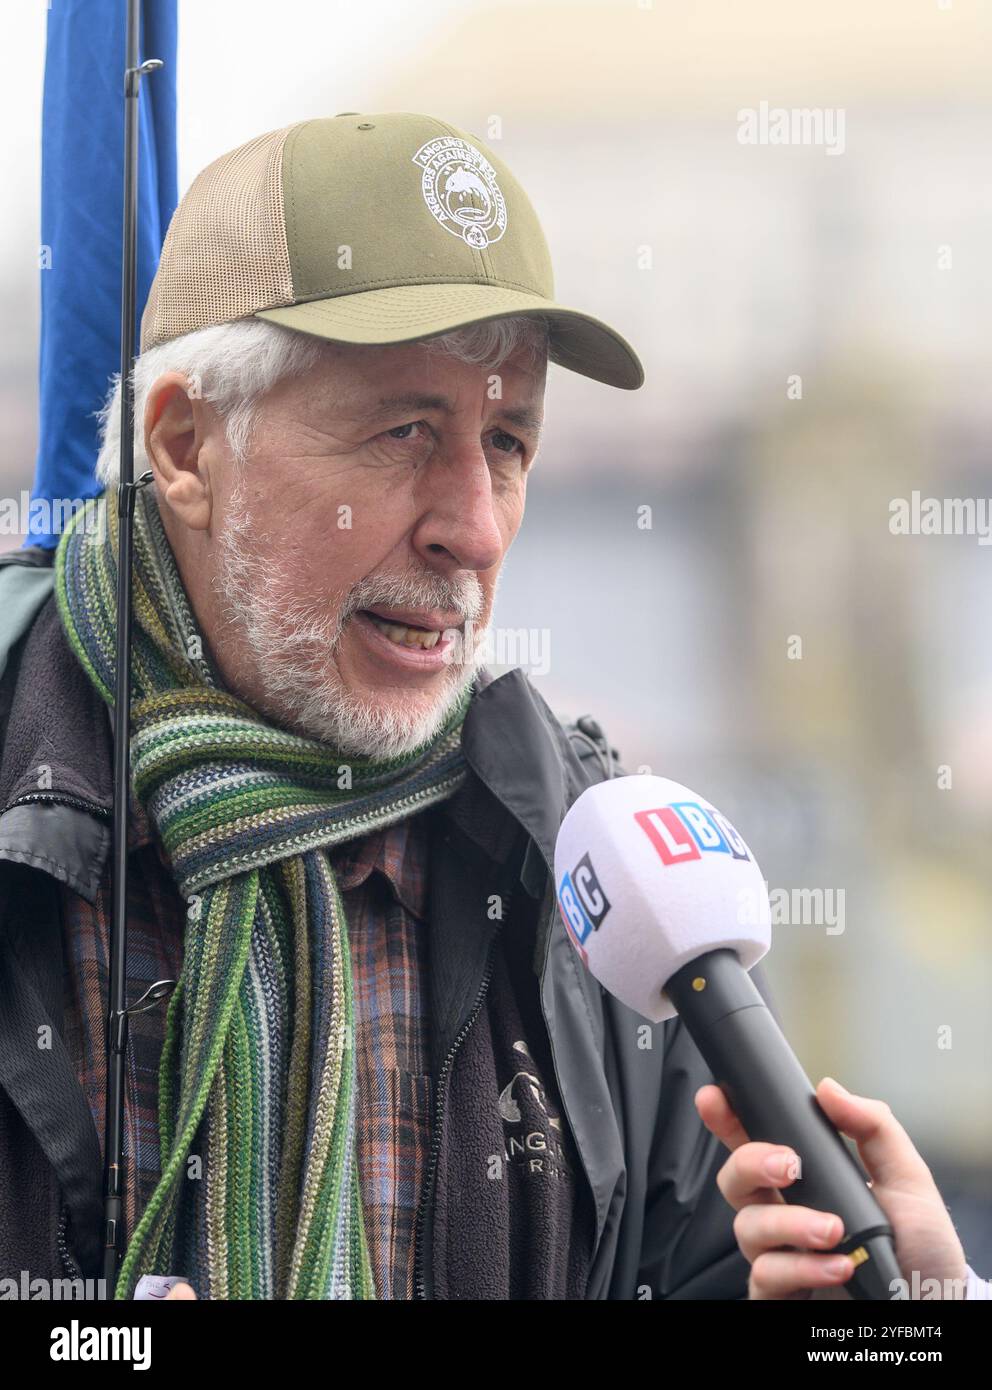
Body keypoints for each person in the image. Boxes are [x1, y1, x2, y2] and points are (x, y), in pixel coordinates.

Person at [0, 111, 984, 1302]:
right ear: (187, 446)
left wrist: (906, 1321)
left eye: (508, 439)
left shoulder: (606, 874)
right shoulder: (27, 803)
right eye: (402, 429)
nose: (471, 528)